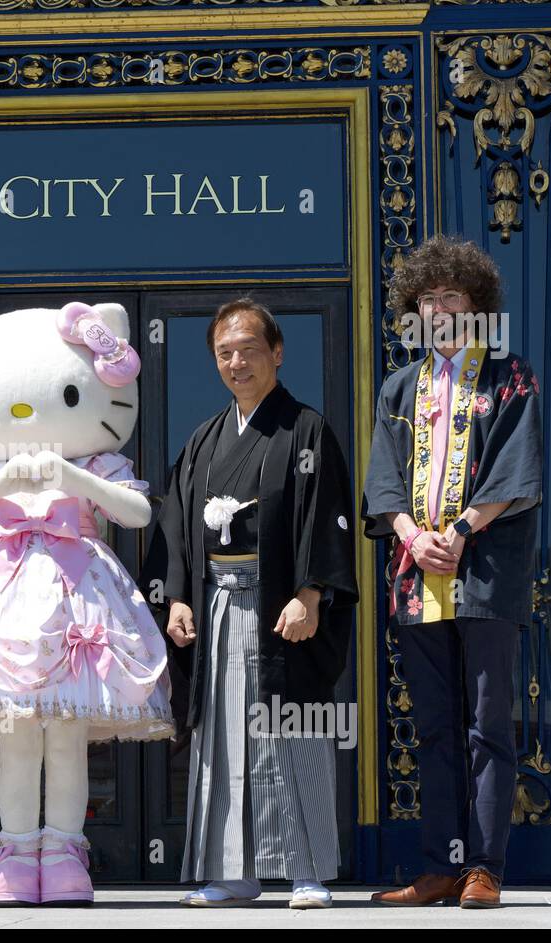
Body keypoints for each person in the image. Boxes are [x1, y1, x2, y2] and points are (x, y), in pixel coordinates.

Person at [0, 302, 173, 907]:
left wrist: (76, 482)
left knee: (68, 733)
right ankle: (17, 854)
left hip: (82, 598)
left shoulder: (98, 461)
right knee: (17, 729)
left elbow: (139, 513)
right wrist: (0, 484)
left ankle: (67, 850)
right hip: (2, 597)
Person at [142, 298, 358, 909]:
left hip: (279, 607)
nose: (237, 362)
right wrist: (179, 597)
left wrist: (311, 594)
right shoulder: (206, 438)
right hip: (217, 607)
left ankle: (306, 871)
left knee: (292, 735)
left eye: (249, 350)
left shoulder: (306, 430)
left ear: (277, 353)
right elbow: (176, 522)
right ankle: (232, 873)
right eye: (225, 353)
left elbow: (328, 517)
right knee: (224, 741)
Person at [363, 235, 542, 909]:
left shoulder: (510, 375)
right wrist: (412, 534)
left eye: (451, 298)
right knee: (434, 727)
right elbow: (384, 483)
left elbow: (516, 472)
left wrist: (461, 533)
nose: (438, 310)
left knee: (487, 727)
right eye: (427, 300)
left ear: (476, 305)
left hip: (487, 576)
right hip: (417, 579)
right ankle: (440, 866)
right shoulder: (398, 386)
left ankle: (485, 868)